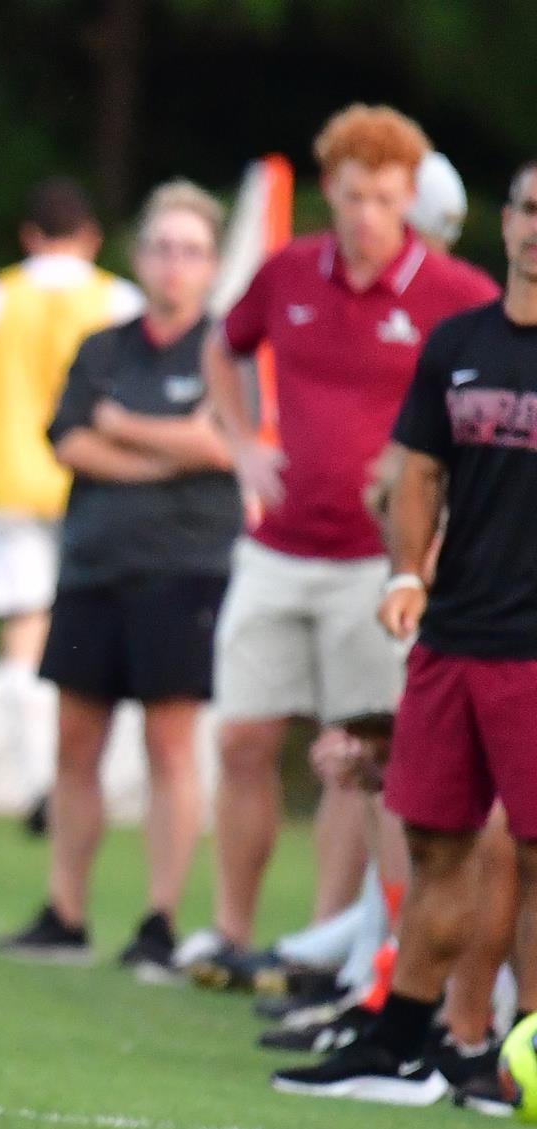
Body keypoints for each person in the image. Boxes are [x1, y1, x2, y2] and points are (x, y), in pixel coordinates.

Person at [193, 104, 499, 989]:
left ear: (410, 199)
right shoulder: (289, 270)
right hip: (279, 547)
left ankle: (354, 947)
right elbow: (225, 346)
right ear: (331, 190)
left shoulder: (454, 292)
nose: (368, 213)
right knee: (244, 739)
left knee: (374, 757)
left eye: (386, 197)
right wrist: (244, 439)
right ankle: (230, 933)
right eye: (355, 194)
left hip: (379, 564)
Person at [274, 159, 537, 1104]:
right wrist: (406, 570)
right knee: (435, 842)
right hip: (453, 636)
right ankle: (404, 1043)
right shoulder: (458, 341)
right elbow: (416, 469)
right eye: (529, 210)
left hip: (533, 650)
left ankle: (512, 1055)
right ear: (504, 222)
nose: (536, 231)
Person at [0, 181, 240, 975]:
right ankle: (65, 910)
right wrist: (169, 447)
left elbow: (220, 447)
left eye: (192, 250)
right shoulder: (103, 347)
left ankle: (160, 921)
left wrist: (125, 429)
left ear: (211, 266)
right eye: (163, 247)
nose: (175, 264)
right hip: (95, 566)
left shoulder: (227, 353)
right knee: (76, 741)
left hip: (185, 570)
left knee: (172, 746)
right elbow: (69, 442)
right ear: (139, 257)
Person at [0, 179, 145, 830]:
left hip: (9, 482)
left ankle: (41, 782)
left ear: (29, 235)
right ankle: (100, 779)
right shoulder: (119, 299)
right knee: (103, 628)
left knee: (23, 638)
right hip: (100, 483)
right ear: (92, 236)